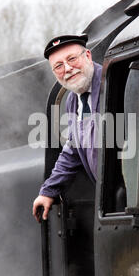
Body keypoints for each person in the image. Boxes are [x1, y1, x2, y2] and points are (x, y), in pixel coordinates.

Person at [32, 34, 102, 222]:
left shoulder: (113, 84)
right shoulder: (73, 100)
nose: (68, 68)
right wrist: (48, 191)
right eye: (59, 66)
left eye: (72, 59)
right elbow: (72, 149)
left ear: (87, 56)